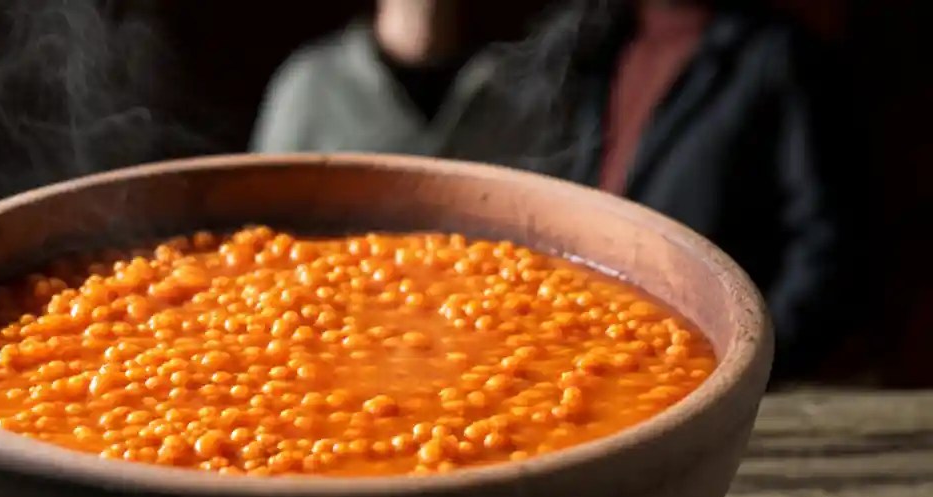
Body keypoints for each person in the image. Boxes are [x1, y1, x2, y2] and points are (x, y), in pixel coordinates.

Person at [251, 0, 862, 381]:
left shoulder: (774, 55)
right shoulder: (598, 47)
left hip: (713, 361)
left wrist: (753, 365)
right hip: (603, 351)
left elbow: (829, 240)